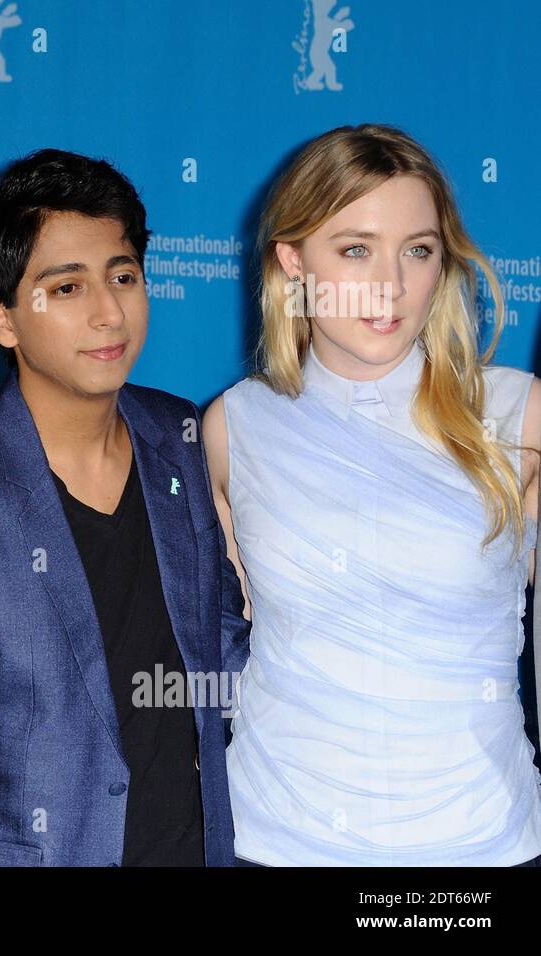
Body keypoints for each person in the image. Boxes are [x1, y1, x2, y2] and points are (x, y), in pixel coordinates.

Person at [0, 149, 249, 866]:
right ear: (3, 319)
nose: (109, 312)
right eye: (67, 288)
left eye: (124, 277)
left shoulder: (180, 437)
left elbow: (225, 643)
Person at [203, 123, 541, 866]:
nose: (391, 284)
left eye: (417, 250)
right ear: (293, 260)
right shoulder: (234, 426)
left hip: (482, 847)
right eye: (355, 249)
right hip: (280, 841)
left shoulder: (518, 414)